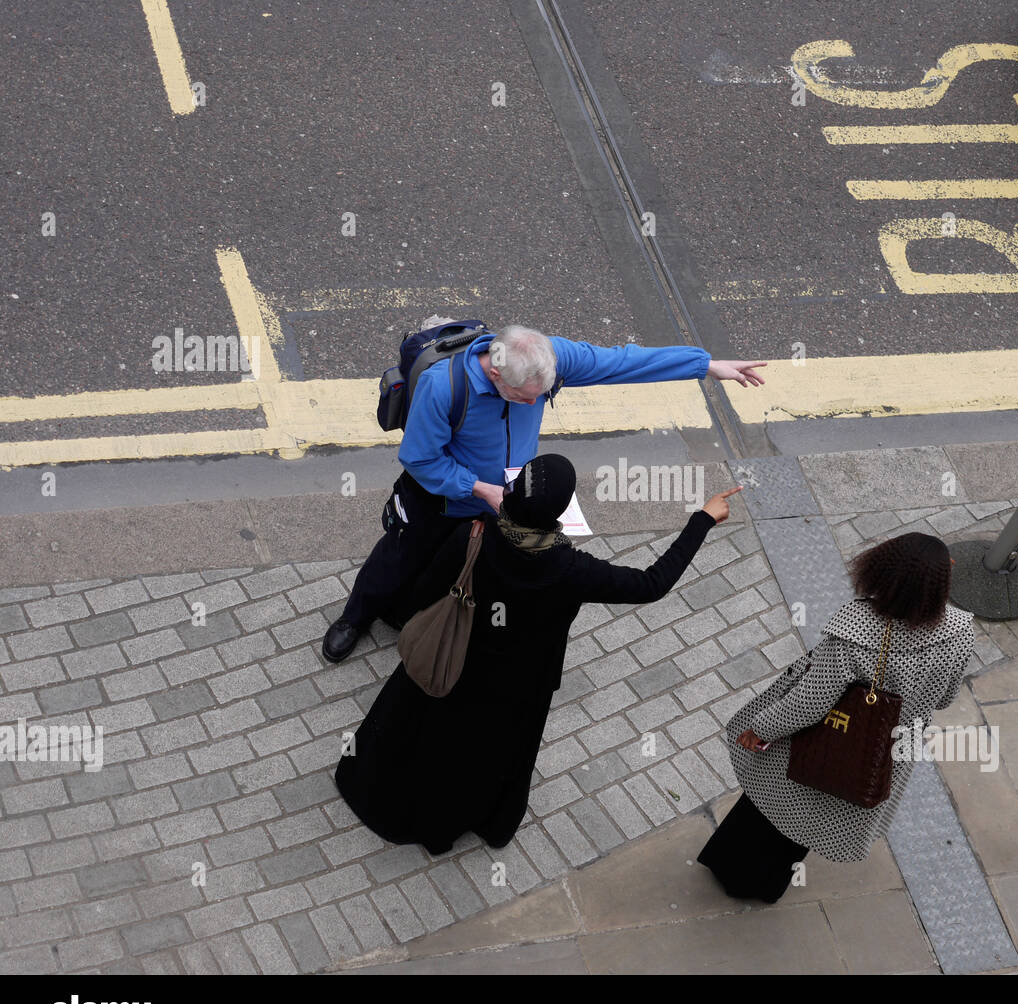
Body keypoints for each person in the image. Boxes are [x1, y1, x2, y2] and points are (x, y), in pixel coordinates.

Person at [333, 453, 743, 855]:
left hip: (451, 665)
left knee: (425, 736)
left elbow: (426, 595)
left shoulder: (471, 537)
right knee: (488, 753)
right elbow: (651, 584)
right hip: (521, 685)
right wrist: (702, 519)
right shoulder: (573, 570)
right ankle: (479, 818)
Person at [323, 321, 766, 662]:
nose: (534, 404)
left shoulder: (547, 359)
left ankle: (415, 613)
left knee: (457, 565)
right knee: (398, 556)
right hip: (440, 497)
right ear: (494, 373)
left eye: (542, 395)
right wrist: (478, 488)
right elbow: (419, 459)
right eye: (523, 397)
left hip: (501, 499)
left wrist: (704, 365)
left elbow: (620, 362)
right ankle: (355, 617)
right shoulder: (445, 387)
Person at [698, 532, 974, 903]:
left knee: (774, 805)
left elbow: (810, 701)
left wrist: (760, 729)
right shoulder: (959, 632)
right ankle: (768, 886)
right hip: (882, 754)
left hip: (826, 738)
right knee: (816, 819)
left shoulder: (856, 627)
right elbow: (944, 698)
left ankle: (736, 876)